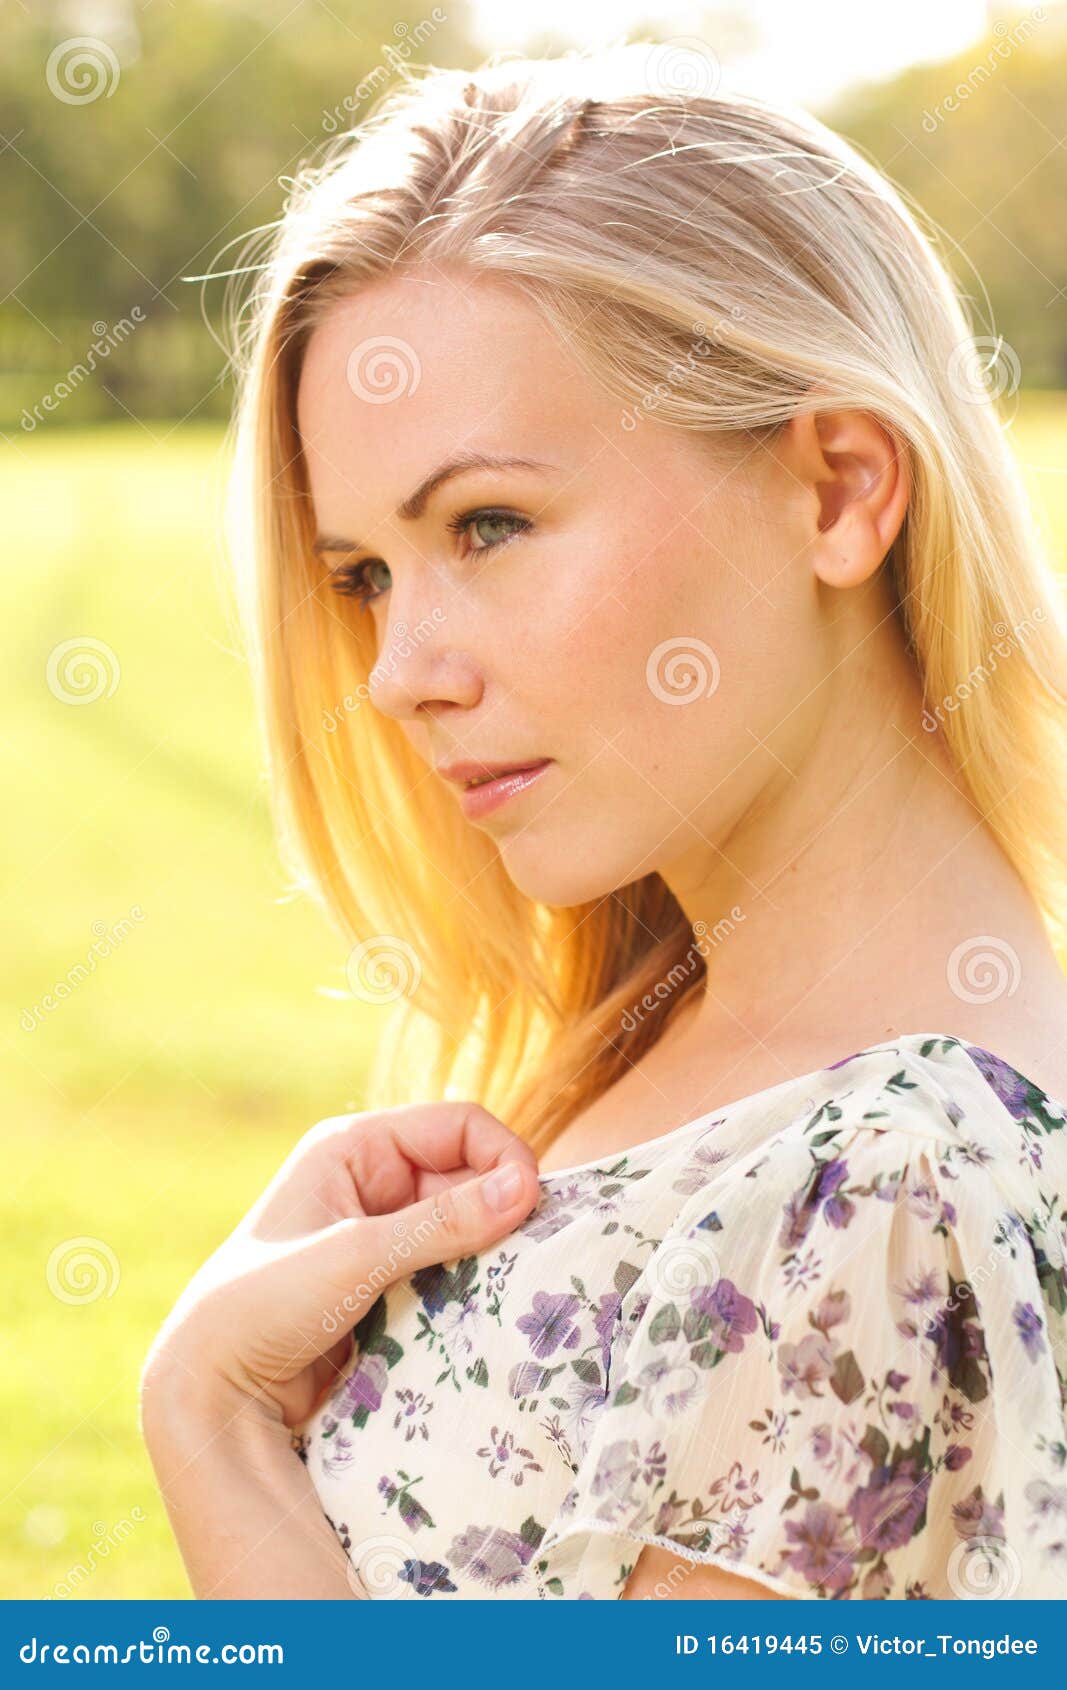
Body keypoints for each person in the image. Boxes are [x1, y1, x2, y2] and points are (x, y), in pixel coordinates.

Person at [140, 45, 1067, 1600]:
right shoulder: (652, 1049)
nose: (395, 674)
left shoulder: (882, 1190)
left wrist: (217, 1430)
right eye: (364, 572)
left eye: (487, 525)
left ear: (837, 488)